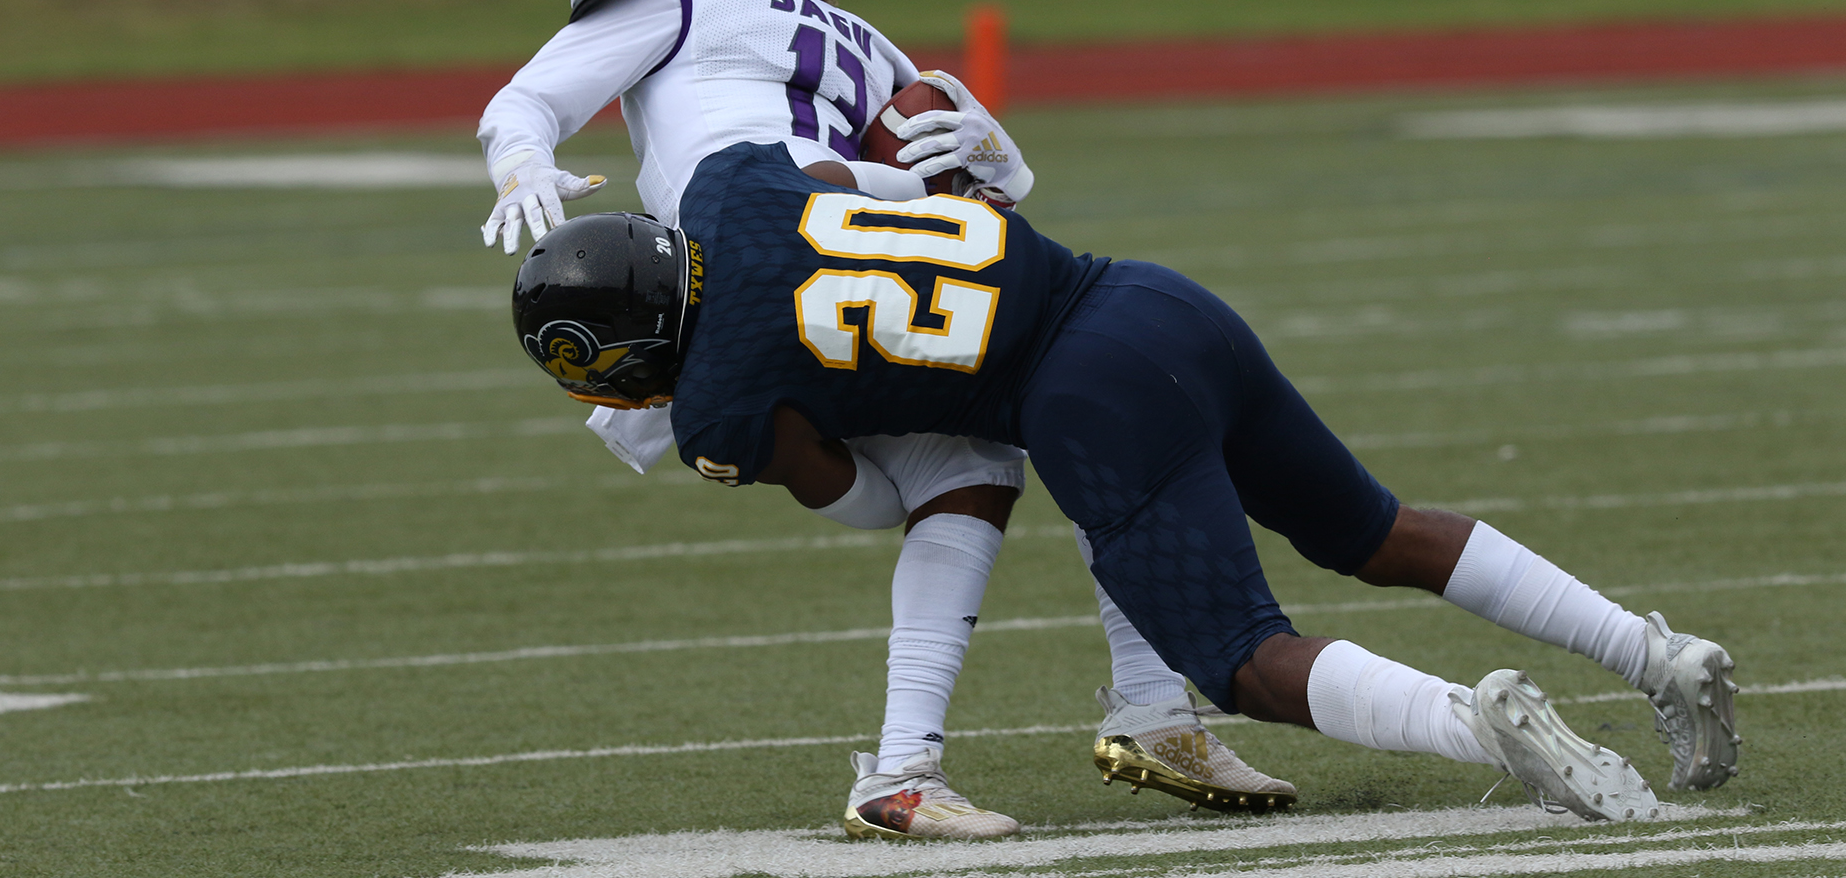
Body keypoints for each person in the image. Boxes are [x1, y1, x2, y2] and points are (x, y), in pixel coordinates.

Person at [473, 0, 1293, 840]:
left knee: (1015, 441)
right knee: (1059, 389)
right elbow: (529, 97)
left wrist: (998, 151)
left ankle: (999, 749)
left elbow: (948, 166)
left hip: (858, 254)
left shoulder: (874, 45)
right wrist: (524, 164)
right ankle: (1121, 716)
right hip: (766, 262)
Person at [506, 143, 1744, 824]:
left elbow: (876, 502)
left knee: (1244, 661)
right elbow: (848, 188)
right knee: (1371, 529)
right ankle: (1656, 654)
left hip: (1082, 396)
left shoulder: (720, 409)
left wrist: (839, 420)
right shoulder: (727, 184)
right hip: (1147, 297)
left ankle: (1483, 725)